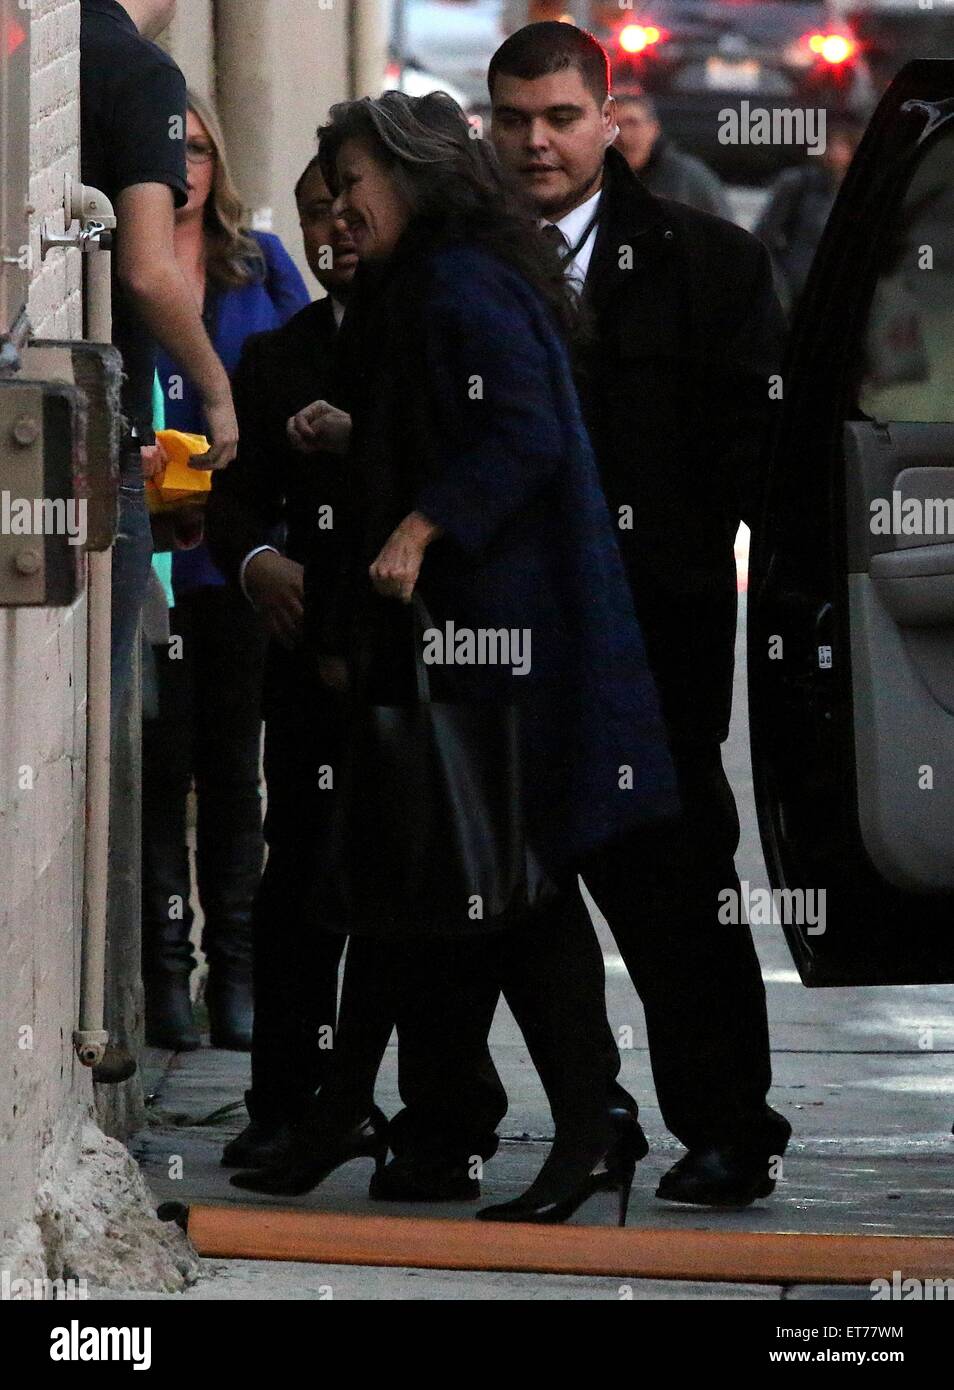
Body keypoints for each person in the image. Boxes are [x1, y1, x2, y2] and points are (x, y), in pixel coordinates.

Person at [230, 90, 678, 1226]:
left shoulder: (458, 282)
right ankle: (355, 1107)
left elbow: (520, 432)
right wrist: (360, 431)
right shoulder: (432, 281)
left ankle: (589, 1128)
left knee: (505, 886)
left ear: (413, 179)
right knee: (420, 871)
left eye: (350, 185)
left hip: (495, 649)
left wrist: (423, 525)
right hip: (457, 650)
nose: (335, 209)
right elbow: (456, 417)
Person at [487, 21, 792, 1207]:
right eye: (513, 119)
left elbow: (753, 457)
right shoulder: (462, 260)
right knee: (492, 881)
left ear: (609, 118)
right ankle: (520, 1118)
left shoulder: (706, 263)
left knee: (678, 887)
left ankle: (727, 1127)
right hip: (497, 634)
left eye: (561, 116)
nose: (537, 142)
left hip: (651, 638)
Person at [141, 94, 310, 1051]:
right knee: (163, 771)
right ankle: (167, 974)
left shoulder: (261, 264)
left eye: (201, 149)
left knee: (234, 771)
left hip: (240, 551)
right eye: (172, 151)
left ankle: (235, 978)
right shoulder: (129, 267)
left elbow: (300, 386)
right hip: (155, 551)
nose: (187, 168)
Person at [205, 153, 364, 1165]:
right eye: (313, 212)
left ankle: (435, 1115)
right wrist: (258, 559)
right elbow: (234, 495)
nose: (333, 229)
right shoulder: (278, 355)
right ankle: (284, 1102)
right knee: (298, 880)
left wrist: (368, 437)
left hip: (427, 668)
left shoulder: (435, 342)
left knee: (424, 895)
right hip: (307, 669)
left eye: (352, 209)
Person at [79, 0, 239, 712]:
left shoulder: (30, 41)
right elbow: (147, 266)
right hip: (90, 438)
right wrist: (217, 391)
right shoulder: (141, 71)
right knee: (91, 710)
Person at [754, 118, 863, 314]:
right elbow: (764, 236)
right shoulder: (797, 184)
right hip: (794, 287)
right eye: (829, 143)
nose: (832, 152)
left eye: (840, 145)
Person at [614, 88, 733, 221]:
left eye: (632, 123)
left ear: (654, 129)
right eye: (615, 126)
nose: (623, 135)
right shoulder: (595, 180)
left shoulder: (689, 180)